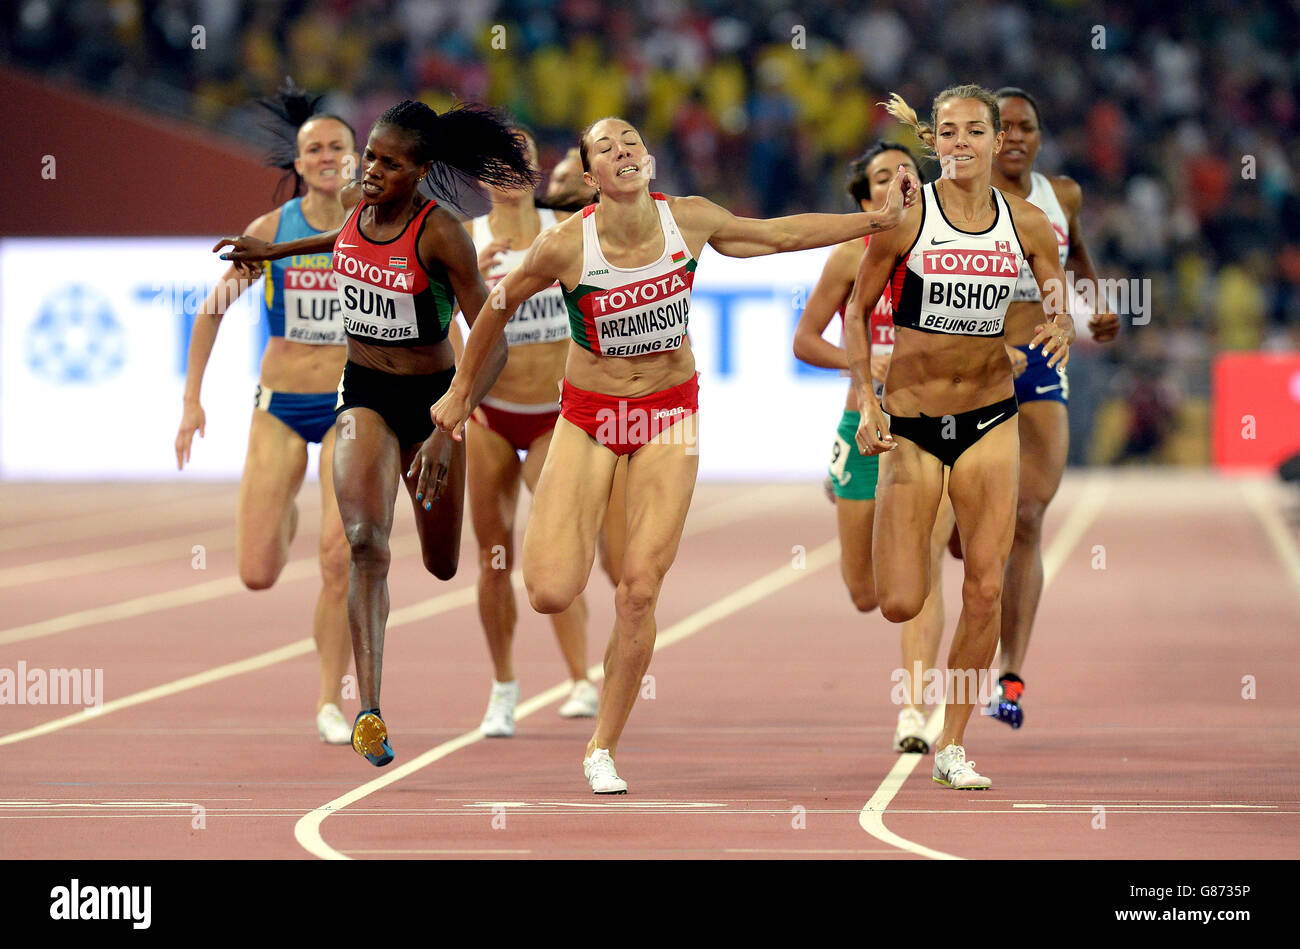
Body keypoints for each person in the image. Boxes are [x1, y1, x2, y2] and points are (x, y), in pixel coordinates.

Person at [433, 117, 917, 794]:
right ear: (591, 177)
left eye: (630, 141)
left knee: (638, 590)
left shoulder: (688, 221)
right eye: (605, 148)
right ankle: (560, 672)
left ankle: (602, 746)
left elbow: (779, 234)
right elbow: (497, 304)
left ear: (650, 161)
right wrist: (458, 393)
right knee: (548, 588)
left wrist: (873, 222)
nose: (621, 150)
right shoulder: (567, 243)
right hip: (589, 416)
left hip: (669, 415)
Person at [216, 100, 537, 767]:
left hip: (431, 403)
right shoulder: (360, 214)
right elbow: (340, 244)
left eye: (389, 164)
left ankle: (431, 514)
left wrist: (451, 421)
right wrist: (272, 251)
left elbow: (493, 343)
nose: (371, 171)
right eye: (370, 157)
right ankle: (368, 709)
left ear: (420, 170)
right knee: (364, 543)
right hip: (362, 393)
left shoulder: (441, 232)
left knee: (443, 561)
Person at [843, 85, 1074, 790]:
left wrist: (1059, 321)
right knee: (900, 601)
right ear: (935, 141)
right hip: (912, 423)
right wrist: (867, 401)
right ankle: (925, 664)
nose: (963, 142)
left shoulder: (1027, 220)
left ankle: (953, 743)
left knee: (982, 590)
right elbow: (856, 313)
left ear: (997, 137)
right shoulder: (907, 219)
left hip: (990, 418)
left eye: (976, 130)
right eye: (950, 131)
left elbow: (1054, 285)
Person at [175, 84, 356, 745]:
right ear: (300, 163)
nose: (328, 156)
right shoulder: (270, 231)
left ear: (357, 157)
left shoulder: (378, 225)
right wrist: (192, 400)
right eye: (315, 149)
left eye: (339, 145)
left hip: (349, 405)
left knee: (339, 560)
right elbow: (212, 308)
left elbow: (433, 308)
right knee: (256, 572)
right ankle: (287, 505)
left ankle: (329, 700)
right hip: (280, 405)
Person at [792, 141, 954, 755]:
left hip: (933, 430)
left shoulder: (948, 251)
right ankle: (843, 484)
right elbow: (805, 340)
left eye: (908, 172)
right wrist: (862, 362)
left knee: (925, 565)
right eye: (883, 177)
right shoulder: (847, 258)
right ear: (865, 202)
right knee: (868, 593)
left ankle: (914, 708)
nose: (899, 181)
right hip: (862, 430)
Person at [984, 87, 1120, 727]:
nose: (1015, 137)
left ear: (1040, 135)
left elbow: (1078, 257)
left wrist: (1098, 305)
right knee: (965, 527)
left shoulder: (1062, 194)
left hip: (1040, 361)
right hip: (973, 363)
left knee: (1031, 513)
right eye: (1003, 127)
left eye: (1026, 127)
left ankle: (1010, 678)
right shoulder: (957, 198)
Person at [462, 128, 599, 736]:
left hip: (555, 414)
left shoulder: (566, 228)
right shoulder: (465, 240)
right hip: (490, 414)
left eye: (519, 158)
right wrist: (468, 282)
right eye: (495, 160)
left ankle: (580, 679)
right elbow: (436, 326)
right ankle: (503, 686)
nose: (510, 169)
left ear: (537, 168)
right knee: (494, 559)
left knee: (556, 547)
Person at [545, 147, 629, 586]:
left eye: (567, 182)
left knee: (619, 559)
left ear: (593, 185)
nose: (556, 190)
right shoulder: (542, 243)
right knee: (561, 557)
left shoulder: (620, 241)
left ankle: (627, 638)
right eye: (553, 182)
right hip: (555, 414)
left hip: (610, 410)